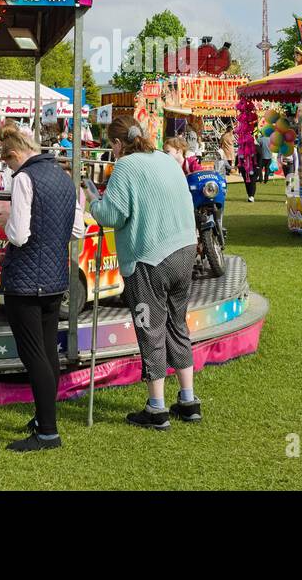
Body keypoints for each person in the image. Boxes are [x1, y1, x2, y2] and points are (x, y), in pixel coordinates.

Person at [83, 116, 201, 429]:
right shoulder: (165, 159)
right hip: (184, 250)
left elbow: (112, 215)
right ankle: (188, 399)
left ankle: (157, 406)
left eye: (111, 145)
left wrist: (93, 201)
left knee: (149, 326)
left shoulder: (124, 167)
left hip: (150, 258)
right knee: (177, 323)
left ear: (118, 144)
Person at [0, 124, 86, 452]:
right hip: (54, 279)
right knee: (48, 351)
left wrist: (3, 222)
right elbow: (77, 230)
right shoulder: (66, 178)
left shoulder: (24, 179)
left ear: (15, 155)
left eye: (8, 164)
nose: (9, 170)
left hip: (24, 281)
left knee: (34, 355)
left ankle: (48, 431)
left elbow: (19, 234)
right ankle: (44, 418)